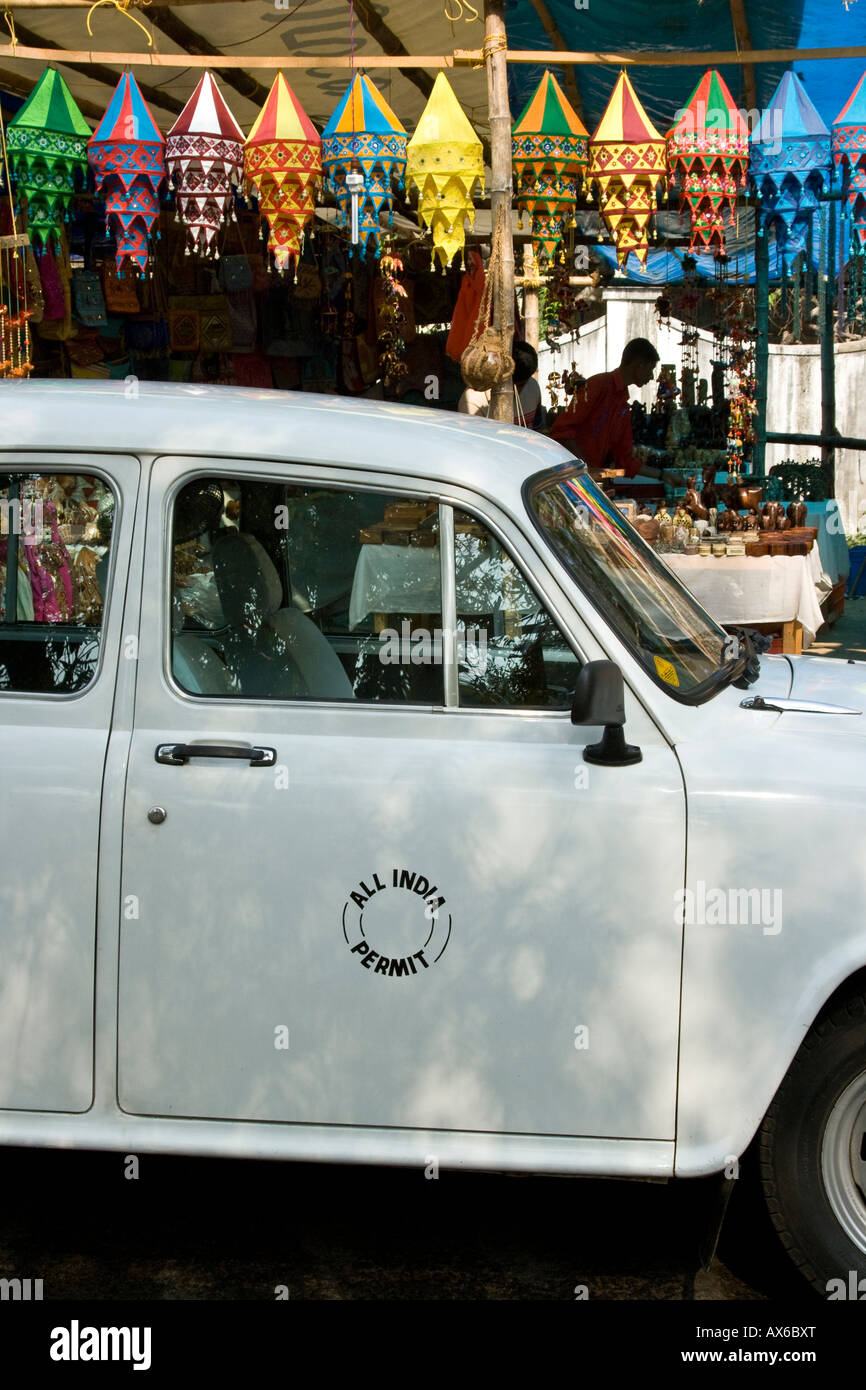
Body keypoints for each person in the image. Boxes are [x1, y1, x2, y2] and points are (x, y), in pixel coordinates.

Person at [550, 338, 678, 485]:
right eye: (650, 369)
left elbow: (625, 459)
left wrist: (663, 475)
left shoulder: (622, 403)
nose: (651, 377)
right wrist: (584, 469)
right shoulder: (599, 384)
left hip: (586, 480)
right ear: (639, 364)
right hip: (568, 477)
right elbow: (562, 430)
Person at [458, 340, 544, 428]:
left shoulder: (533, 386)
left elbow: (537, 427)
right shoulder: (472, 400)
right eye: (511, 384)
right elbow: (472, 440)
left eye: (521, 385)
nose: (515, 390)